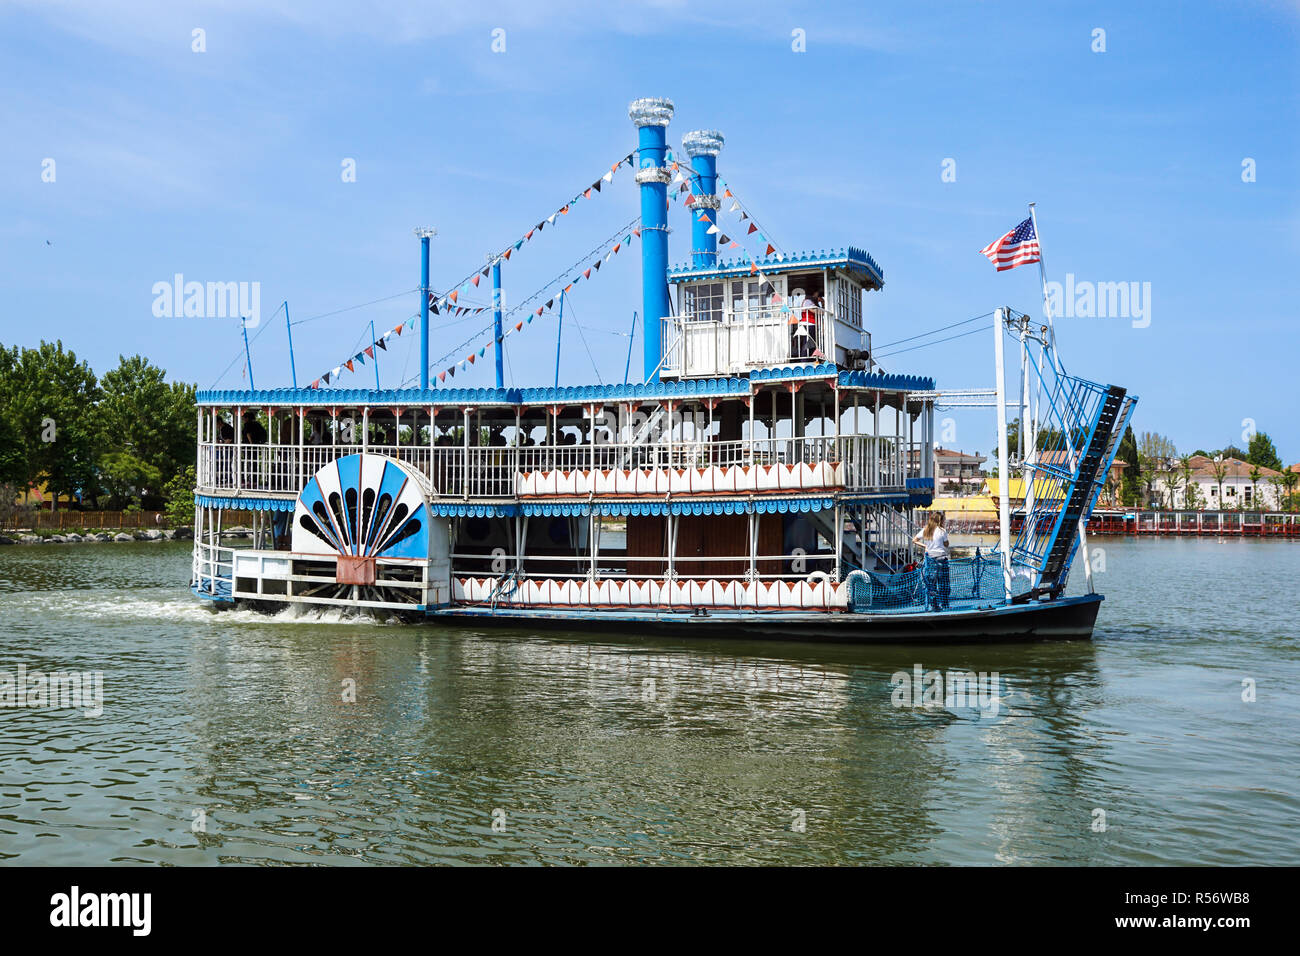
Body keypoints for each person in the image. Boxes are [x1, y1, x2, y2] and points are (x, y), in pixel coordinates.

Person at [911, 511, 951, 611]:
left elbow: (914, 540)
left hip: (930, 559)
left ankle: (934, 605)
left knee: (932, 583)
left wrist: (926, 546)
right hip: (941, 558)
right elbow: (946, 544)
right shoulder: (942, 531)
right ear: (939, 520)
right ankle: (945, 604)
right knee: (944, 583)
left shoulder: (927, 529)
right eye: (943, 520)